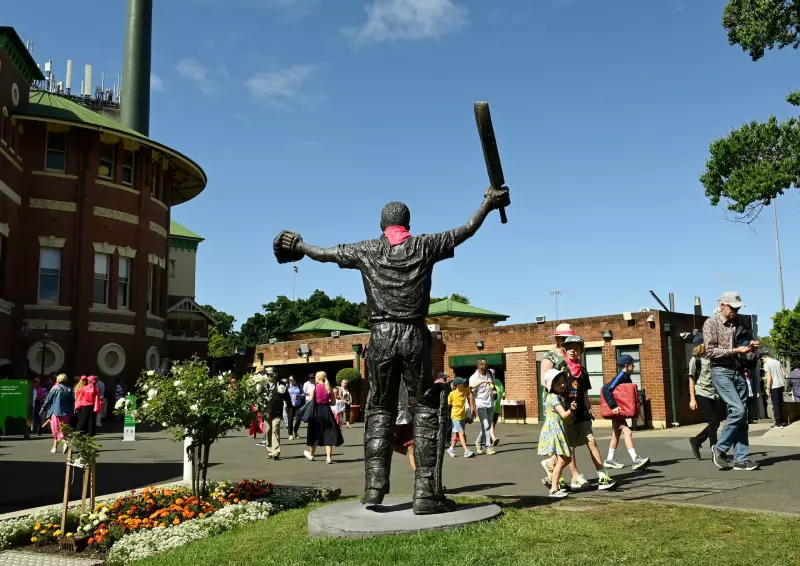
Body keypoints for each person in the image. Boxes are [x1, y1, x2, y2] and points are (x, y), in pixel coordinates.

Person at [274, 186, 510, 515]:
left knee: (378, 408)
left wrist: (298, 245)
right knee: (425, 407)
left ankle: (373, 489)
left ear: (381, 225)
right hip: (414, 333)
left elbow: (325, 253)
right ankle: (426, 493)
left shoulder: (368, 249)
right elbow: (465, 231)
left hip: (381, 335)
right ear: (408, 223)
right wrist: (488, 203)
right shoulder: (425, 245)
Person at [704, 292, 760, 471]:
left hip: (738, 371)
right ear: (722, 305)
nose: (735, 310)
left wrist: (750, 346)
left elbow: (744, 347)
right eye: (732, 307)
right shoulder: (711, 323)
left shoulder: (739, 323)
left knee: (742, 416)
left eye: (738, 307)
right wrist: (735, 350)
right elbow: (710, 352)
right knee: (738, 409)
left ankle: (741, 459)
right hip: (721, 371)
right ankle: (719, 448)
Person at [602, 355, 650, 470]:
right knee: (628, 432)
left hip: (619, 412)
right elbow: (606, 389)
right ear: (626, 365)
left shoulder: (626, 376)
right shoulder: (621, 376)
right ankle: (635, 459)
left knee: (616, 435)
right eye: (632, 364)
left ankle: (609, 459)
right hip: (617, 411)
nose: (634, 366)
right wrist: (613, 406)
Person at [538, 369, 576, 499]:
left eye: (563, 382)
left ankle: (551, 478)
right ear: (551, 385)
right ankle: (554, 489)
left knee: (568, 458)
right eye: (558, 383)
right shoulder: (554, 398)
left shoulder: (553, 397)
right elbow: (564, 415)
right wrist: (572, 409)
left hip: (555, 429)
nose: (563, 385)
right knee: (562, 460)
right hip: (555, 431)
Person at [688, 333, 725, 459]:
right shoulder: (695, 360)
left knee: (716, 421)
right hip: (702, 392)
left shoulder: (713, 357)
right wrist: (692, 399)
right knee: (713, 421)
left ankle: (697, 440)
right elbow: (691, 380)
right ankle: (715, 449)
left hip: (715, 393)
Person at [304, 371, 344, 464]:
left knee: (314, 433)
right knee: (328, 434)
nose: (314, 379)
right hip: (327, 411)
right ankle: (329, 458)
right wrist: (327, 402)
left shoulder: (315, 387)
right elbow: (334, 402)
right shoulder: (328, 387)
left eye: (315, 377)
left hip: (317, 412)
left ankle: (311, 455)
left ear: (318, 378)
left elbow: (310, 400)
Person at [261, 368, 291, 460]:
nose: (270, 375)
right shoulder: (263, 385)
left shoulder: (280, 385)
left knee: (275, 430)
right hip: (266, 412)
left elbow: (287, 396)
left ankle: (276, 452)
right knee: (268, 431)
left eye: (272, 373)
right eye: (268, 374)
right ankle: (270, 451)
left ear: (275, 374)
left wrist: (289, 406)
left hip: (277, 412)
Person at [469, 358, 497, 455]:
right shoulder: (473, 378)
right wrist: (472, 408)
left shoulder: (489, 373)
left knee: (488, 426)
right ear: (478, 366)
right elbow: (471, 393)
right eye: (482, 364)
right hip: (480, 404)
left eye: (485, 364)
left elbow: (493, 385)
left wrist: (494, 391)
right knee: (485, 426)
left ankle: (478, 442)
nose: (484, 366)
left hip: (490, 402)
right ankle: (488, 447)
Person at [41, 374, 73, 453]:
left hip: (56, 412)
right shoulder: (70, 389)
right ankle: (54, 447)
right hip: (66, 413)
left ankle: (64, 442)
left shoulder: (55, 388)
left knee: (56, 430)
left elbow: (48, 399)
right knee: (63, 430)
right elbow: (72, 401)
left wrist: (43, 408)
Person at [447, 377, 475, 458]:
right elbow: (447, 404)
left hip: (462, 416)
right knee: (461, 433)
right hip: (455, 417)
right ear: (457, 385)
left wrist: (484, 381)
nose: (464, 384)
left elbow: (473, 386)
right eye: (462, 383)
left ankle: (451, 448)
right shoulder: (452, 394)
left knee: (457, 434)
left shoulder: (465, 390)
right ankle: (466, 451)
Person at [761, 350, 787, 429]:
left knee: (775, 405)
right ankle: (782, 421)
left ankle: (778, 423)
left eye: (762, 360)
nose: (762, 361)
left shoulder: (767, 364)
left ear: (764, 357)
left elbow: (769, 377)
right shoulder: (777, 361)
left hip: (774, 385)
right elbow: (783, 373)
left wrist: (767, 388)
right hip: (781, 384)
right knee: (780, 403)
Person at [490, 369, 504, 443]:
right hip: (490, 406)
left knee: (494, 422)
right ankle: (493, 437)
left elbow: (502, 391)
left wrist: (503, 394)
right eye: (492, 374)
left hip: (497, 406)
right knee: (491, 422)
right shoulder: (488, 383)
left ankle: (491, 437)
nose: (493, 375)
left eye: (494, 374)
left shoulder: (498, 382)